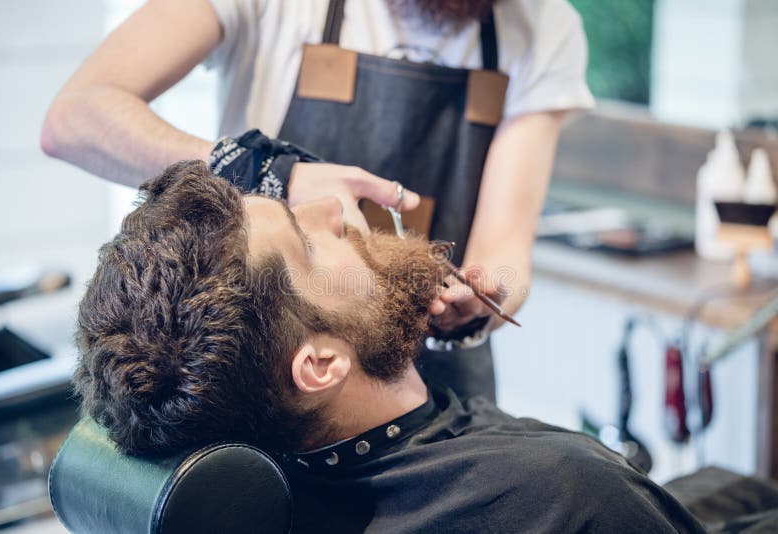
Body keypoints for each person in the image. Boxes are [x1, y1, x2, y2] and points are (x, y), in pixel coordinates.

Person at [74, 161, 702, 533]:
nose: (329, 209)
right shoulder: (571, 497)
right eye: (307, 241)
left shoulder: (295, 494)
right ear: (320, 364)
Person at [42, 0, 595, 402]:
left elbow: (505, 247)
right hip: (272, 360)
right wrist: (268, 172)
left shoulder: (542, 25)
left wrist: (481, 301)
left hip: (436, 371)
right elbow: (76, 118)